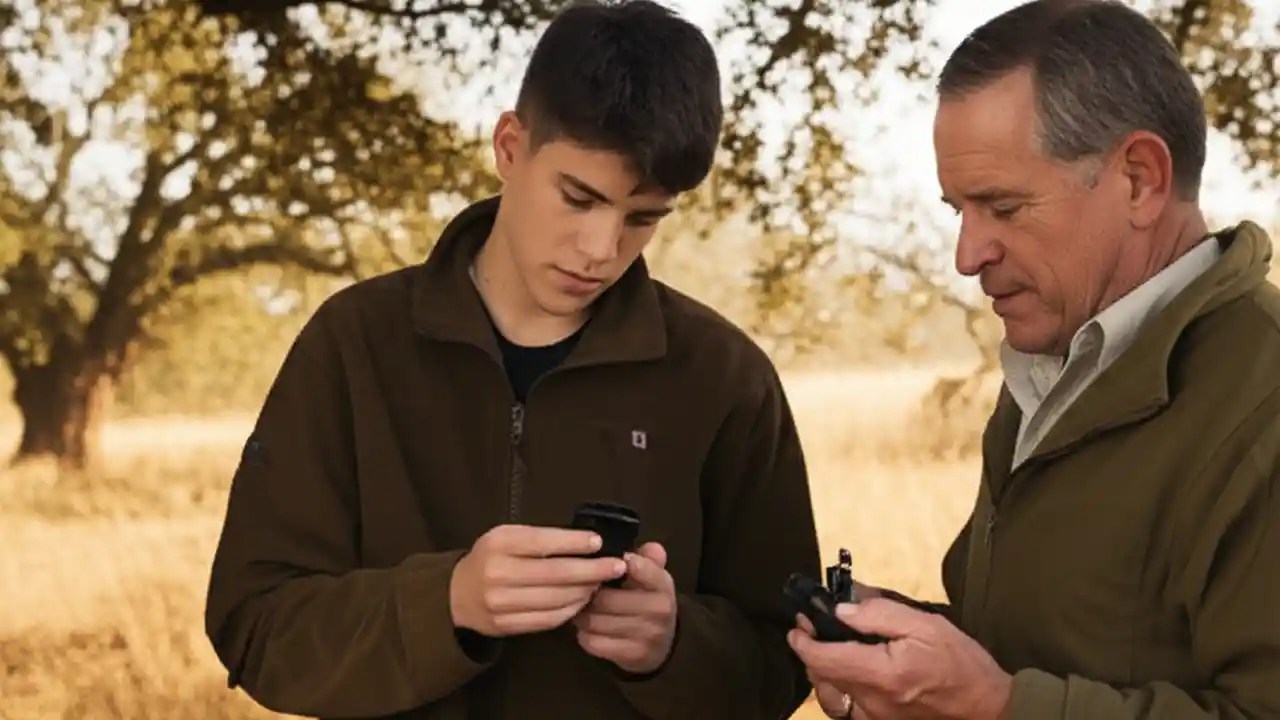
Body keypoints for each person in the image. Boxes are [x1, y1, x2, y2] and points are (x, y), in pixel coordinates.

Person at [202, 1, 823, 718]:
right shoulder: (353, 345)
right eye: (578, 197)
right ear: (508, 145)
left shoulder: (724, 378)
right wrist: (448, 604)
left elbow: (786, 662)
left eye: (642, 218)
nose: (601, 249)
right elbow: (254, 630)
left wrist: (675, 646)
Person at [787, 1, 1280, 718]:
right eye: (959, 210)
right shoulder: (1055, 365)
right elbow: (1054, 651)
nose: (967, 255)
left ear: (1139, 179)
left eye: (1005, 207)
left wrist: (995, 706)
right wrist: (907, 655)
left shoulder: (1262, 403)